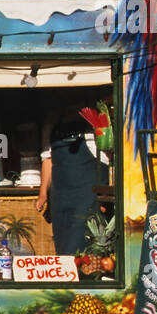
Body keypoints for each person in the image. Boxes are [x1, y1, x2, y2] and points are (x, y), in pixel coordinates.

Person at [34, 107, 100, 255]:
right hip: (60, 195)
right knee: (62, 241)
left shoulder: (92, 125)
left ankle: (83, 277)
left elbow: (105, 159)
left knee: (80, 241)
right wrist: (43, 194)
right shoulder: (51, 124)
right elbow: (47, 160)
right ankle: (66, 277)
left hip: (85, 193)